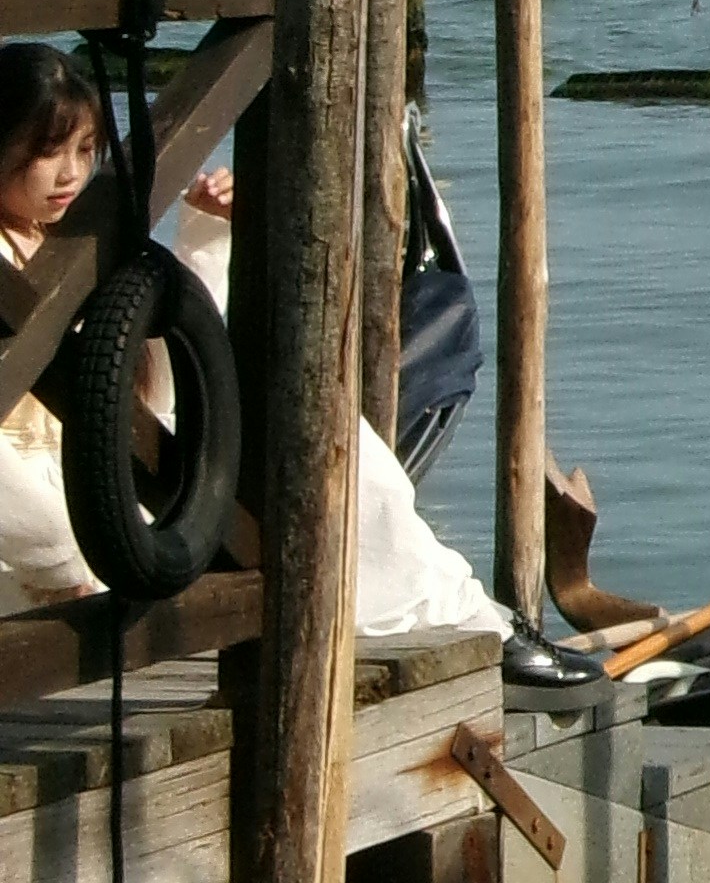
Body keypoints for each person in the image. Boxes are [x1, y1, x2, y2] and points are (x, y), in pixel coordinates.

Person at [0, 37, 502, 639]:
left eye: (86, 150)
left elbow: (154, 388)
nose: (73, 174)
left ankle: (459, 616)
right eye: (49, 152)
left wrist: (203, 233)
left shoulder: (75, 237)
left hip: (114, 490)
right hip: (51, 525)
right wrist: (65, 545)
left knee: (337, 447)